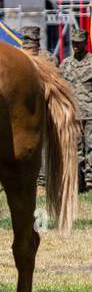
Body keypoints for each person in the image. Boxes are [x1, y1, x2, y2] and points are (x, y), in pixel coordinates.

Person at [58, 26, 92, 192]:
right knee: (75, 150)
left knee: (91, 148)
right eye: (73, 43)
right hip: (73, 114)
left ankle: (91, 181)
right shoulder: (65, 64)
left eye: (79, 43)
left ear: (86, 42)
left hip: (90, 114)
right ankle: (79, 183)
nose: (76, 46)